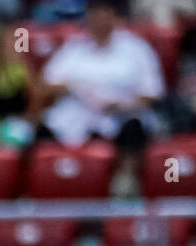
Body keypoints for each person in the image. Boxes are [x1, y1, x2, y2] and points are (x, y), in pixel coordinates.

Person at [37, 0, 165, 194]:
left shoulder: (137, 49)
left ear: (115, 17)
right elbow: (46, 86)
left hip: (121, 113)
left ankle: (125, 182)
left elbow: (152, 93)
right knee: (42, 130)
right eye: (94, 16)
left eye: (103, 15)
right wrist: (73, 86)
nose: (98, 21)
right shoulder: (73, 48)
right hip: (78, 115)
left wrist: (122, 103)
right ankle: (44, 186)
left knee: (134, 128)